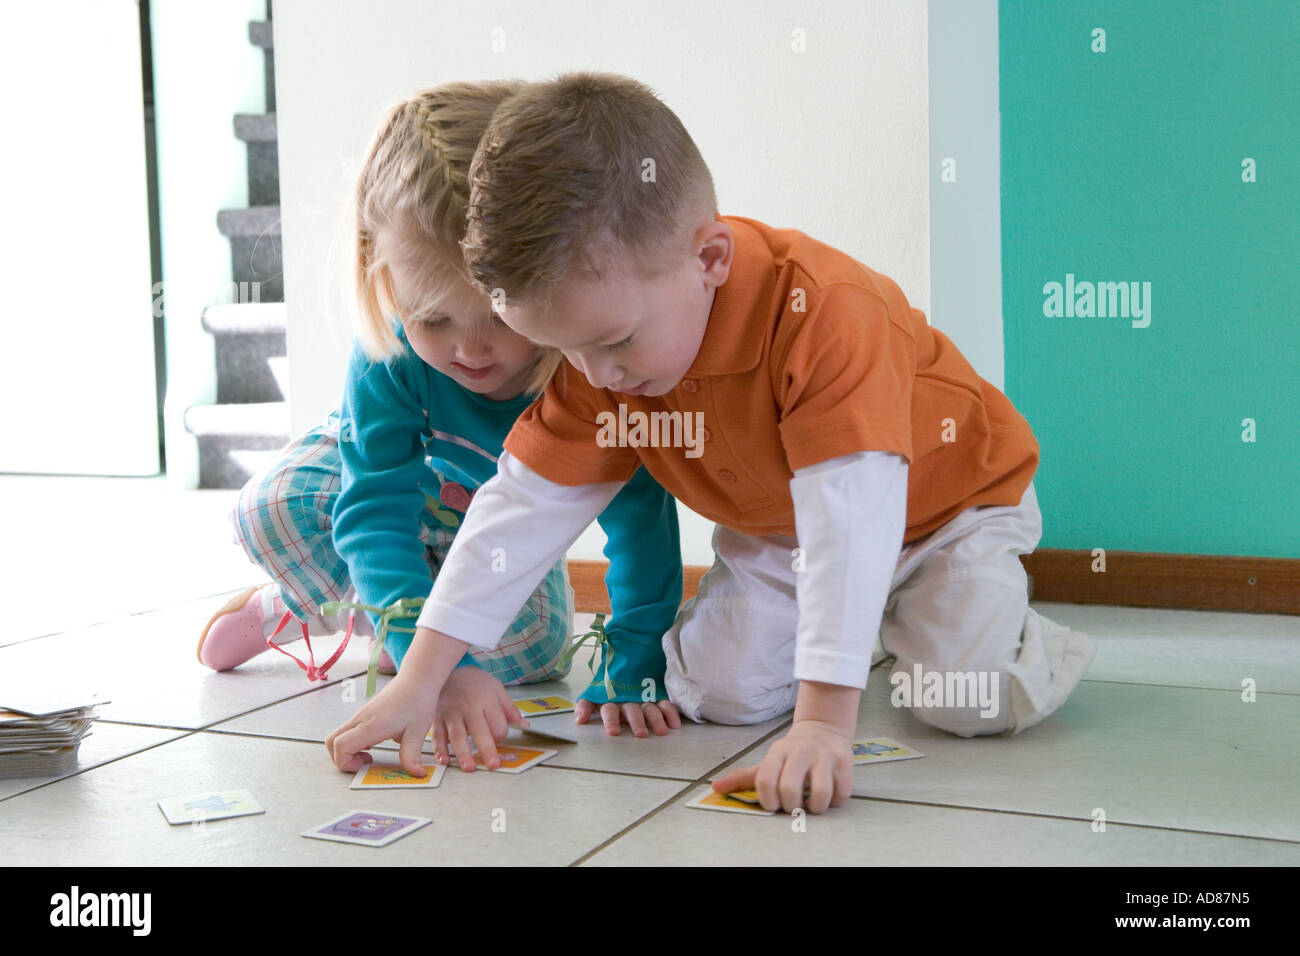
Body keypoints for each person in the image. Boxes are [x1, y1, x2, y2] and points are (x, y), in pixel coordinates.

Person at [325, 72, 1094, 811]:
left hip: (947, 513)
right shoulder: (604, 354)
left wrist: (824, 725)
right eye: (569, 352)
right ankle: (866, 631)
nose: (596, 376)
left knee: (967, 695)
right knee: (716, 692)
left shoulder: (827, 316)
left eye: (614, 344)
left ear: (710, 260)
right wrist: (421, 676)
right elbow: (522, 507)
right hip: (781, 533)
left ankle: (990, 628)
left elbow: (851, 517)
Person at [198, 80, 683, 769]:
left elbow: (639, 516)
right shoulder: (389, 356)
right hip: (397, 505)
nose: (471, 351)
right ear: (383, 278)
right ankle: (304, 604)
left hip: (485, 536)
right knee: (273, 507)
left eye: (498, 315)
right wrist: (437, 671)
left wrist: (637, 654)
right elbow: (371, 511)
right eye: (432, 319)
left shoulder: (585, 369)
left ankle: (338, 604)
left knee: (537, 650)